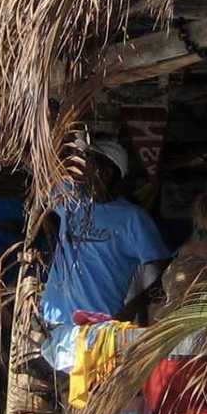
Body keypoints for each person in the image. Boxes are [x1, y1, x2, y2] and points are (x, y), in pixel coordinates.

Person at [40, 139, 171, 372]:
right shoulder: (71, 200)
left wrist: (127, 312)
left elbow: (163, 270)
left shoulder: (132, 219)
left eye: (87, 165)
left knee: (89, 404)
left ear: (107, 173)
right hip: (54, 327)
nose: (79, 172)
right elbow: (44, 167)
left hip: (98, 333)